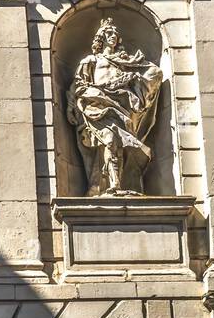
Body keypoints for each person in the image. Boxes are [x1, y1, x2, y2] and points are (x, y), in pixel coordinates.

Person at [66, 18, 163, 195]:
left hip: (122, 108)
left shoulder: (124, 63)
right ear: (101, 38)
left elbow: (154, 73)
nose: (113, 36)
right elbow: (78, 85)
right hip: (98, 107)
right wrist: (71, 106)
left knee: (119, 145)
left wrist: (132, 80)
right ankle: (113, 184)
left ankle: (115, 184)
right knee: (110, 141)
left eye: (115, 34)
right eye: (109, 33)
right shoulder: (90, 60)